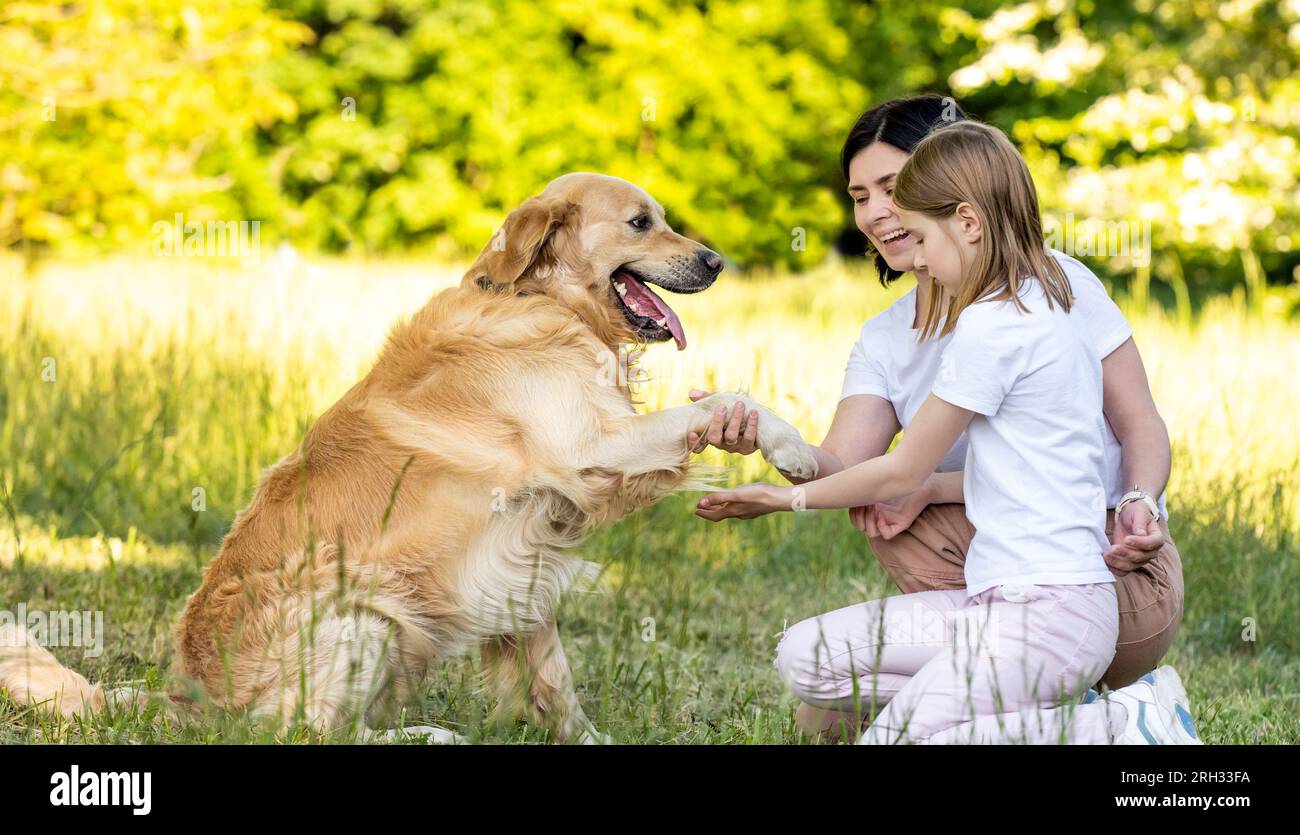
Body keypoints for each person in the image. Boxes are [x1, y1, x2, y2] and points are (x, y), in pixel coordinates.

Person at [688, 95, 1185, 740]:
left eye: (895, 192)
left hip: (1101, 574)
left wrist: (784, 503)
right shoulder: (905, 332)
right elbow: (856, 465)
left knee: (892, 734)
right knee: (820, 695)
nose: (877, 216)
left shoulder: (1039, 293)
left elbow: (899, 471)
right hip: (997, 592)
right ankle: (1017, 704)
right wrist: (769, 434)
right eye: (859, 195)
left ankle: (1114, 726)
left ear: (960, 207)